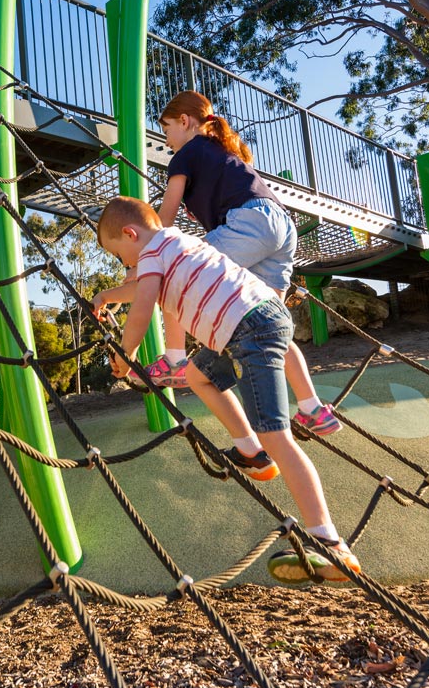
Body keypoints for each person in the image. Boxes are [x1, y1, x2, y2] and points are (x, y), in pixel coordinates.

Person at [91, 196, 361, 584]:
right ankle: (251, 452)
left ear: (131, 234)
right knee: (199, 377)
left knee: (278, 435)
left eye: (121, 256)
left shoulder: (150, 255)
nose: (126, 266)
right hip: (258, 319)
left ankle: (330, 543)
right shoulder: (175, 242)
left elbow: (144, 303)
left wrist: (126, 352)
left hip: (249, 330)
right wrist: (106, 296)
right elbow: (138, 290)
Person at [130, 90, 340, 438]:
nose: (167, 141)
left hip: (250, 223)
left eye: (166, 130)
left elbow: (164, 215)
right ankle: (311, 408)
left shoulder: (187, 152)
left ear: (185, 122)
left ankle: (174, 357)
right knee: (271, 322)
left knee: (172, 268)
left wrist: (147, 257)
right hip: (280, 227)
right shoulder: (220, 150)